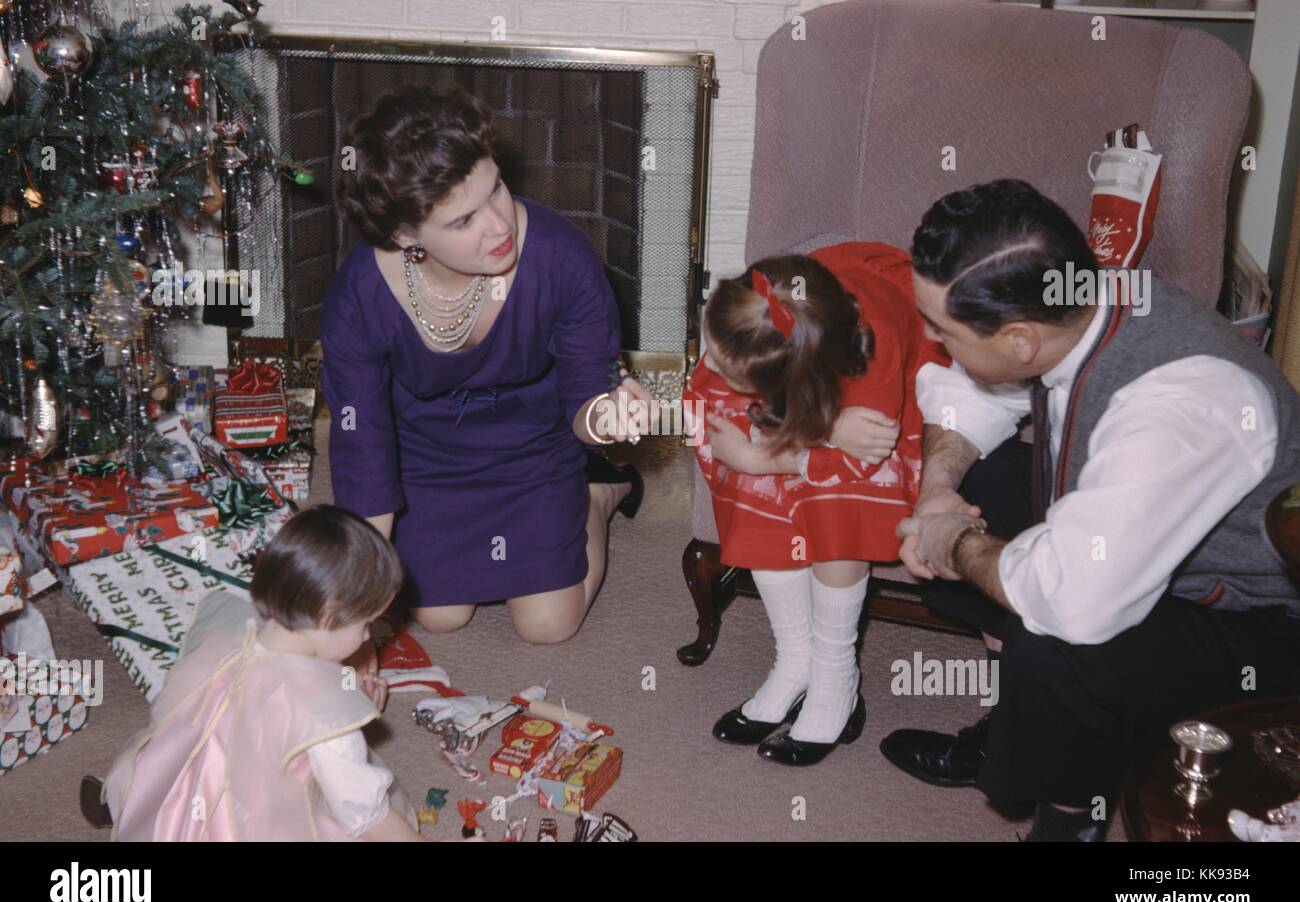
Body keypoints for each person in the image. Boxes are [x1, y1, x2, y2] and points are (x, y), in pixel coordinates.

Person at [885, 179, 1300, 841]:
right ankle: (1018, 727)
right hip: (1149, 559)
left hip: (1258, 628)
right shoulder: (1077, 297)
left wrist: (953, 544)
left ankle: (1067, 817)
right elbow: (974, 398)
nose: (932, 343)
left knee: (1057, 639)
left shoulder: (1185, 401)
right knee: (982, 476)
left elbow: (1075, 598)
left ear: (1020, 340)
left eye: (942, 330)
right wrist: (939, 492)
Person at [324, 83, 655, 645]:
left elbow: (585, 394)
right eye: (462, 221)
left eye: (496, 188)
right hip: (426, 454)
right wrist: (359, 589)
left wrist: (610, 415)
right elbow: (363, 446)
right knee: (437, 615)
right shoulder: (359, 293)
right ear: (406, 236)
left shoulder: (562, 258)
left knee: (548, 627)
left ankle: (598, 494)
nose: (500, 225)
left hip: (536, 441)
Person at [685, 242, 947, 765]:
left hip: (888, 410)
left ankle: (834, 674)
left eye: (721, 359)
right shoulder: (753, 307)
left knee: (834, 499)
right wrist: (761, 449)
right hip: (805, 389)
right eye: (711, 346)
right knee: (740, 463)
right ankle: (795, 660)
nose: (708, 363)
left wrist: (774, 454)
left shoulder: (873, 347)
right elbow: (709, 409)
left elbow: (865, 460)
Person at [101, 506, 427, 841]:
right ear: (329, 616)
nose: (366, 638)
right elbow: (366, 814)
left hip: (186, 784)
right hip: (254, 816)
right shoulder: (325, 724)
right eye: (366, 624)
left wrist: (348, 694)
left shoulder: (229, 631)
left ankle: (128, 806)